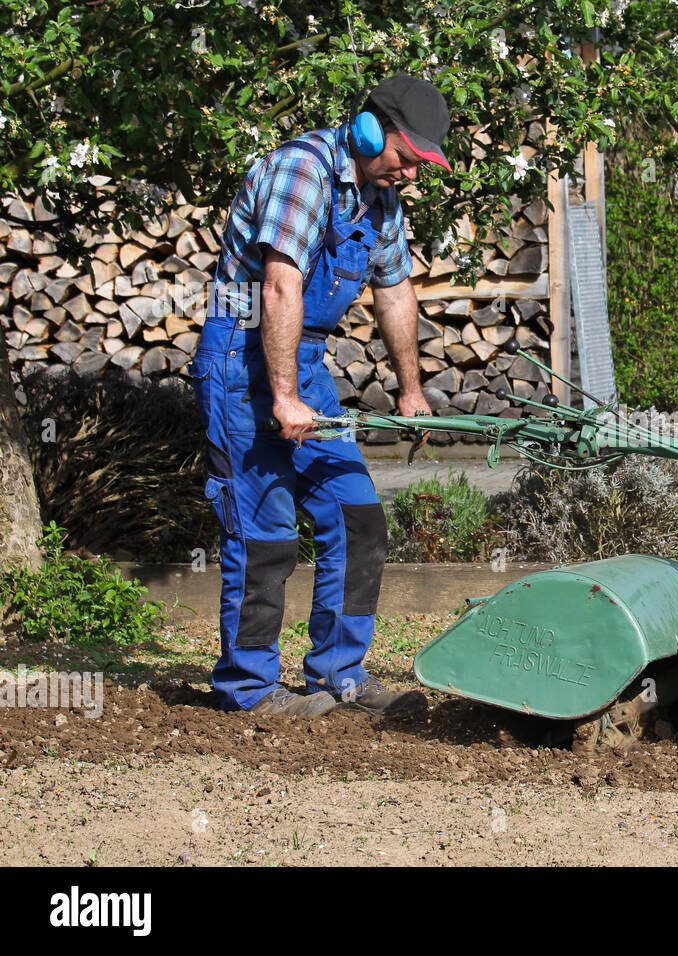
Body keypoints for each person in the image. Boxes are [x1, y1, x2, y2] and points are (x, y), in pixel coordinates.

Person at [189, 75, 451, 716]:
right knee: (265, 528)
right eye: (408, 157)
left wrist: (410, 390)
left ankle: (341, 674)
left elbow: (393, 290)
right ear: (369, 130)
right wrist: (282, 397)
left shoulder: (379, 199)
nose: (412, 174)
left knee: (358, 517)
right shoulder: (302, 173)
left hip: (300, 362)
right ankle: (249, 690)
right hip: (242, 357)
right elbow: (279, 288)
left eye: (422, 164)